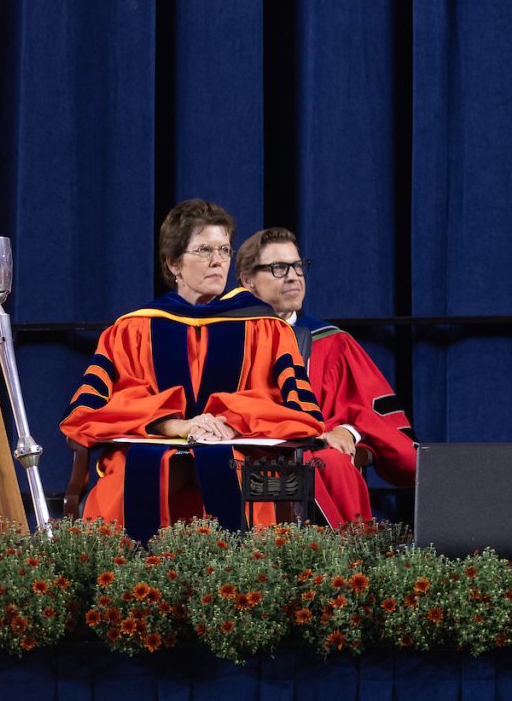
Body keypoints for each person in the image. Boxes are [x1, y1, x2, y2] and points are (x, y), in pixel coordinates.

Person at [62, 200, 323, 538]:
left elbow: (303, 413)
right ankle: (129, 573)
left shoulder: (267, 328)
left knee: (236, 475)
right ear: (173, 263)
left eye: (224, 250)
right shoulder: (132, 330)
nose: (218, 261)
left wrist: (230, 421)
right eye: (204, 250)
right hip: (149, 453)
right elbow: (86, 413)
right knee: (132, 476)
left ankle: (242, 573)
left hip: (239, 452)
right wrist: (174, 424)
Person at [235, 227, 418, 526]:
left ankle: (342, 554)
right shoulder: (228, 340)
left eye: (297, 266)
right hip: (243, 460)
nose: (293, 277)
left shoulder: (332, 343)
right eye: (279, 268)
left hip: (312, 460)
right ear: (248, 281)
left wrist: (348, 431)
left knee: (329, 461)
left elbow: (372, 415)